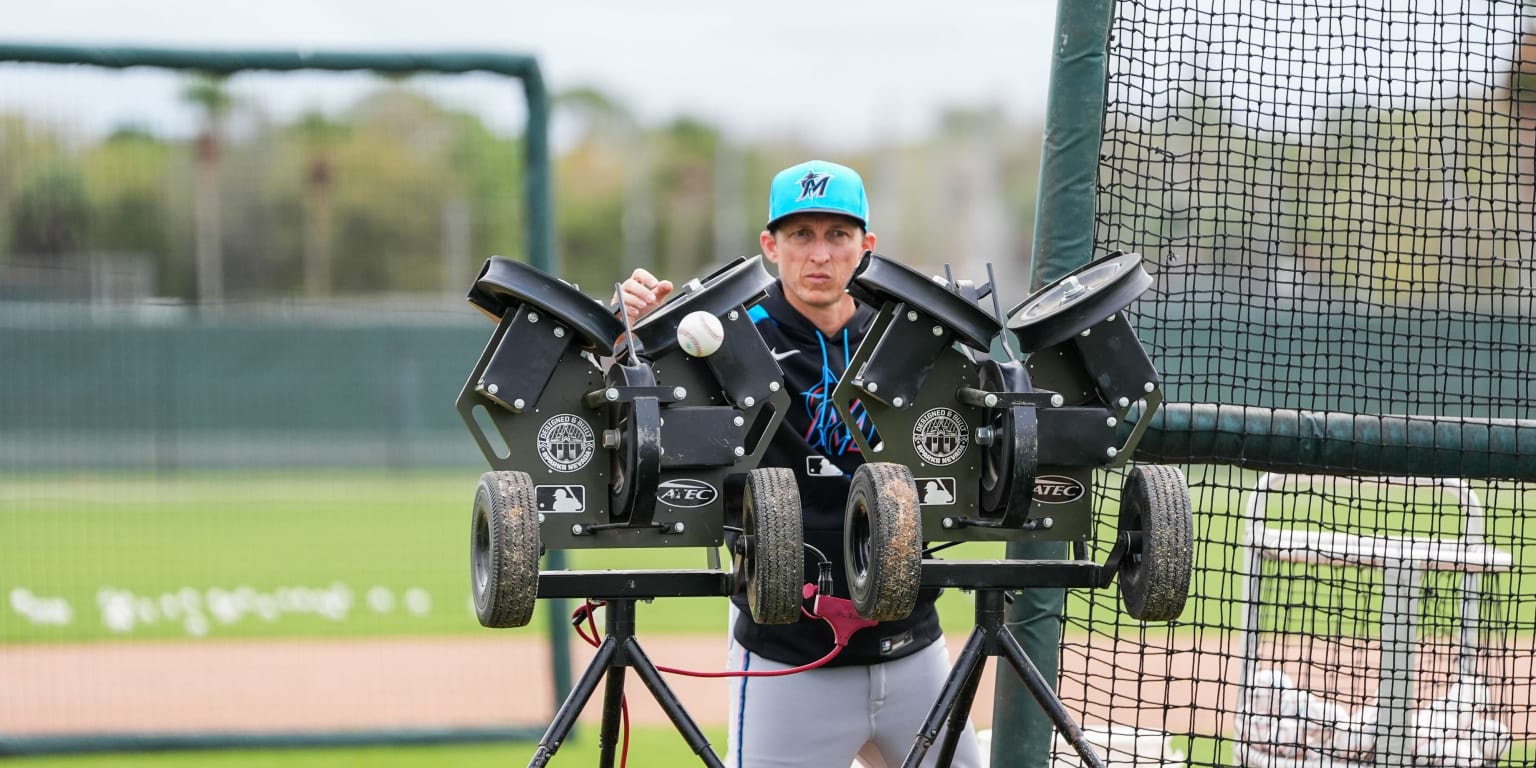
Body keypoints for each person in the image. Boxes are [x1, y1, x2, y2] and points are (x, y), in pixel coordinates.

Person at [617, 160, 980, 768]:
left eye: (837, 236)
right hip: (789, 657)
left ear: (866, 247)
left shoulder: (903, 340)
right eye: (800, 235)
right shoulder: (729, 337)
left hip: (912, 645)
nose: (819, 255)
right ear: (770, 246)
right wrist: (633, 331)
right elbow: (637, 400)